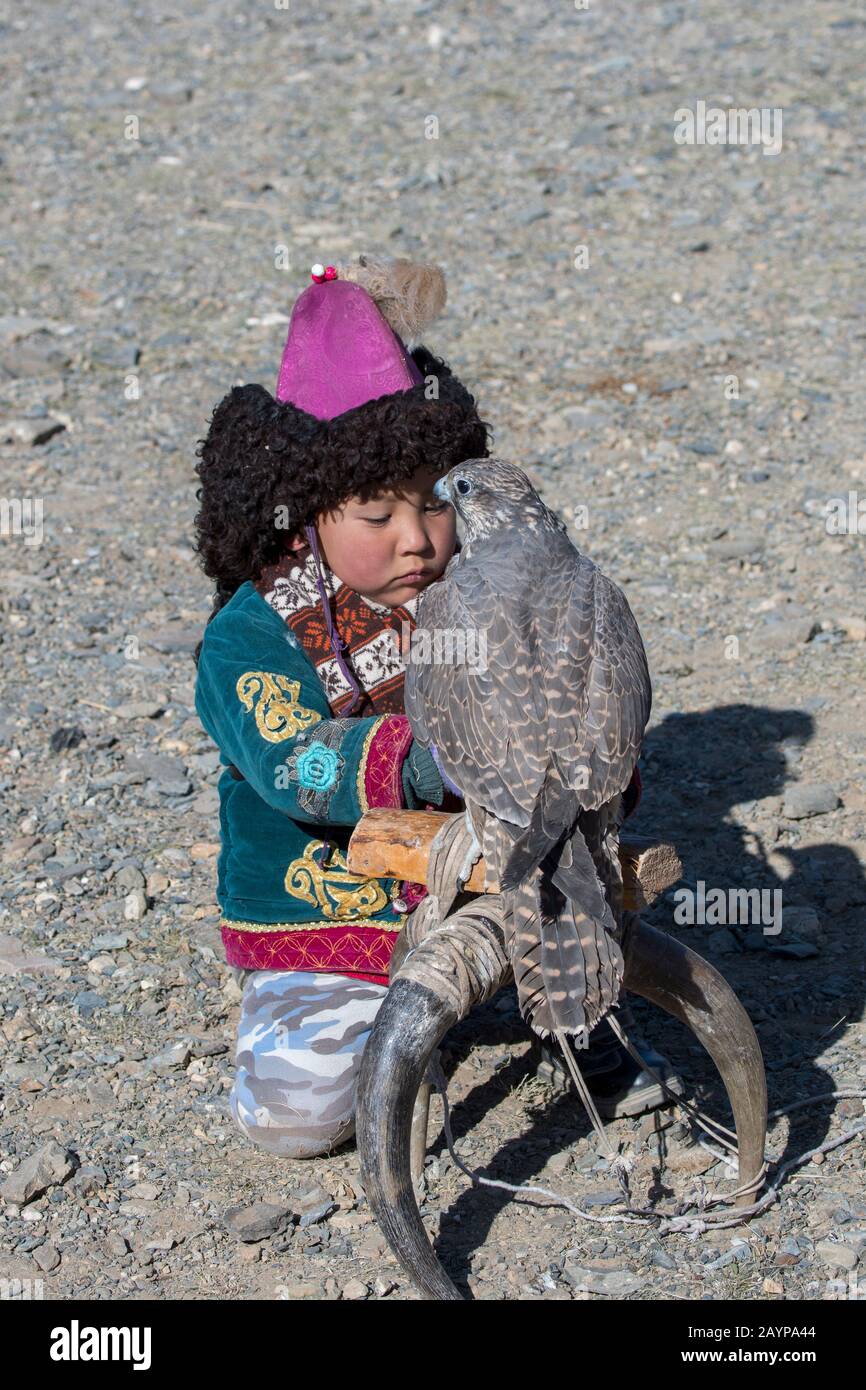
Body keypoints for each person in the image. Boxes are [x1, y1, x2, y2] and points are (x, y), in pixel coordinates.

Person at [193, 256, 680, 1160]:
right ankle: (364, 1028)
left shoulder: (489, 591)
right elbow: (293, 762)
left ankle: (566, 1002)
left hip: (504, 873)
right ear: (301, 513)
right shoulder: (250, 636)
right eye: (376, 516)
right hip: (335, 910)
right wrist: (424, 762)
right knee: (295, 1121)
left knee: (580, 915)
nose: (417, 538)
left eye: (434, 505)